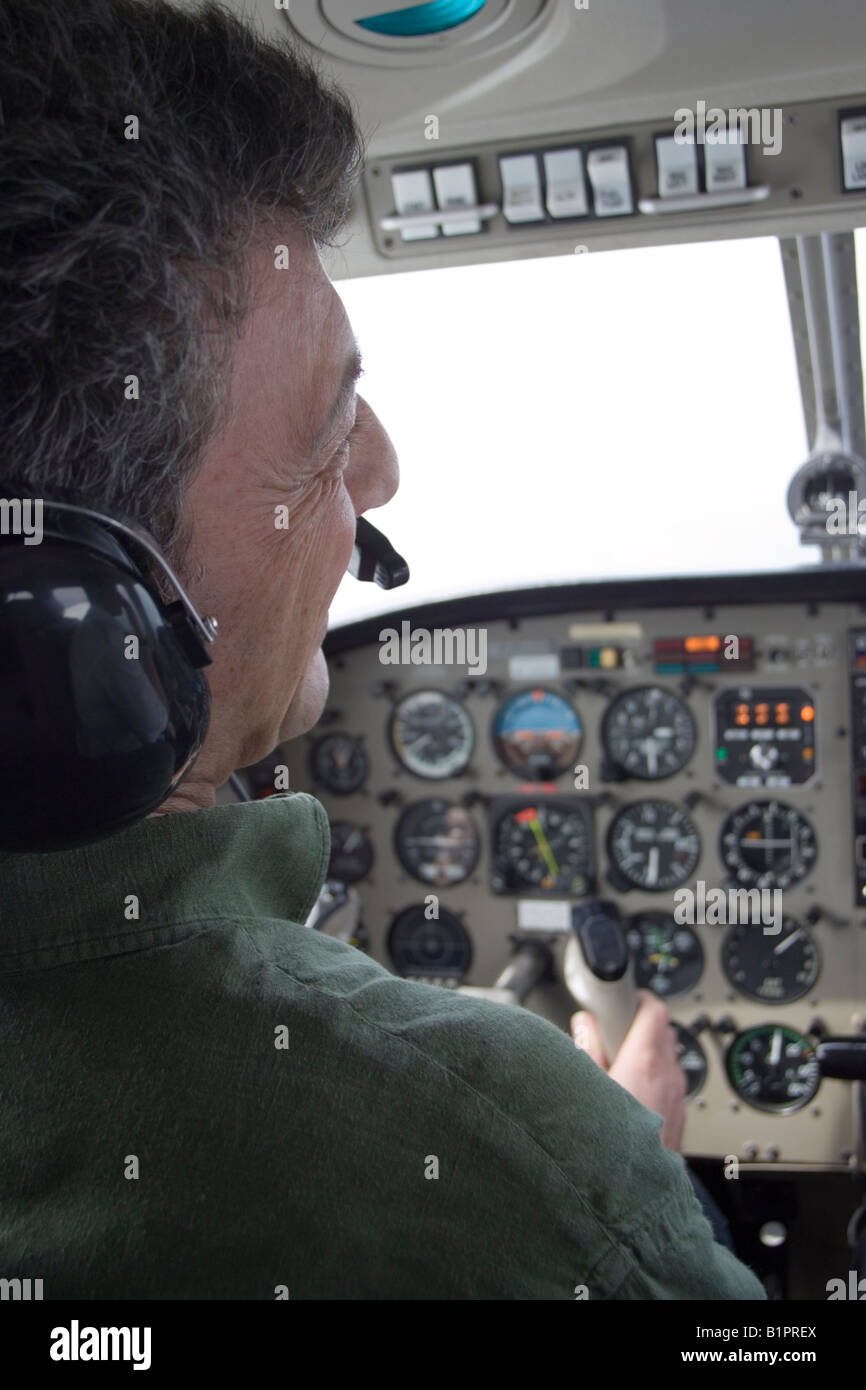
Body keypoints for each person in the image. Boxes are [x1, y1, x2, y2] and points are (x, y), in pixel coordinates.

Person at [0, 0, 764, 1299]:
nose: (382, 469)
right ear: (82, 602)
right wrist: (620, 1176)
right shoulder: (491, 1158)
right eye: (324, 428)